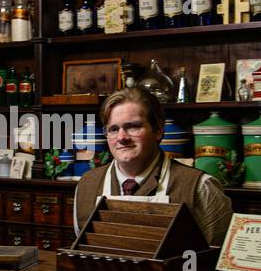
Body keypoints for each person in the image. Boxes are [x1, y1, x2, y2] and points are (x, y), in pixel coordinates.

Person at [73, 86, 233, 244]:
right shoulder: (87, 185)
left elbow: (215, 260)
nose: (122, 137)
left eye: (133, 127)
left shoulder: (199, 188)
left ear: (158, 130)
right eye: (113, 129)